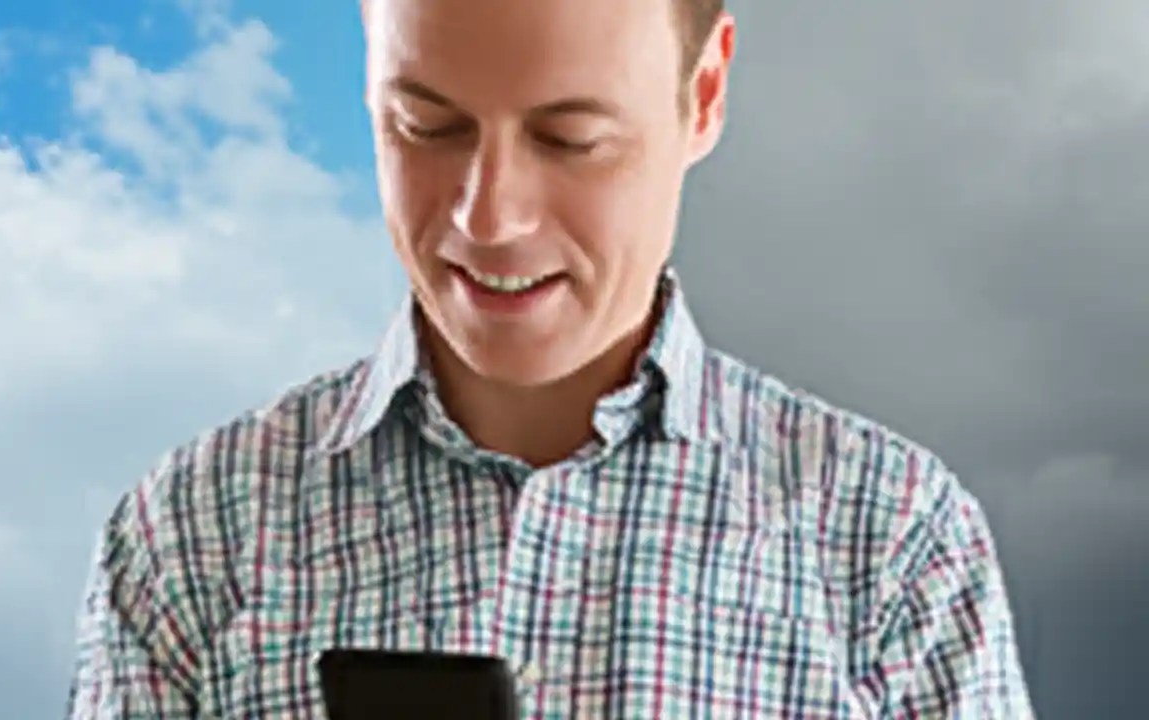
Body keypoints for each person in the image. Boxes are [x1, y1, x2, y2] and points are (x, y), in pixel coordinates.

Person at [66, 0, 1036, 717]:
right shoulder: (192, 534)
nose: (488, 219)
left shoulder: (892, 541)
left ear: (700, 95)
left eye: (569, 139)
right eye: (425, 127)